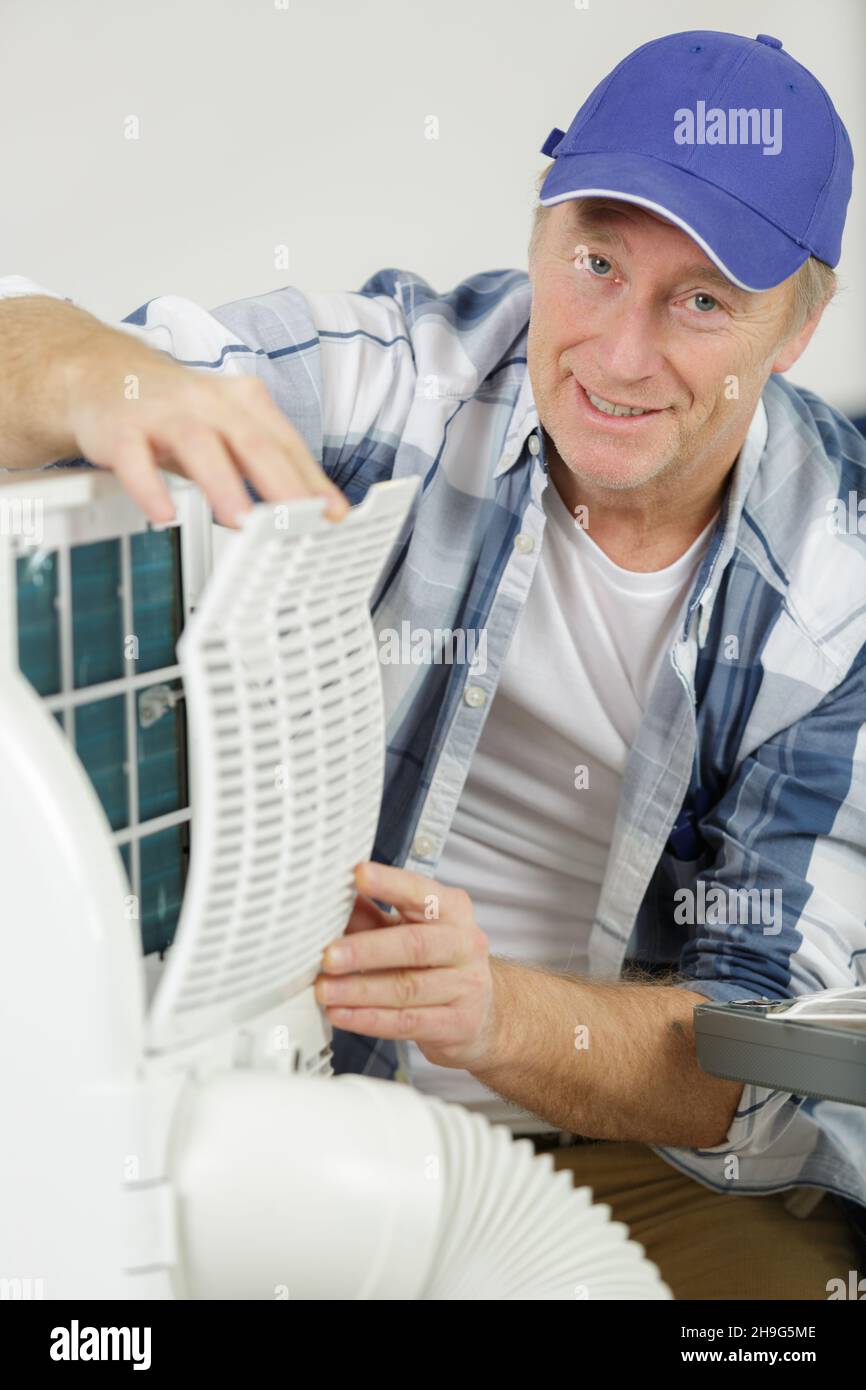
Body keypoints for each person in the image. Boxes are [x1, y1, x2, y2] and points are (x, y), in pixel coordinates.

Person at [2, 29, 864, 1298]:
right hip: (331, 1106)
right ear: (537, 230)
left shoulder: (835, 589)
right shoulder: (413, 379)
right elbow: (25, 341)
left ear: (793, 325)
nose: (616, 356)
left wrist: (494, 1013)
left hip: (663, 1166)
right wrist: (99, 379)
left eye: (699, 301)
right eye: (594, 262)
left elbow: (763, 1048)